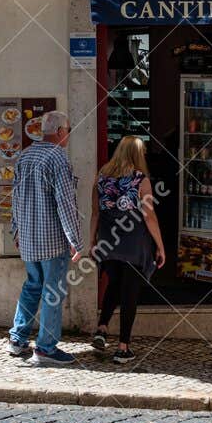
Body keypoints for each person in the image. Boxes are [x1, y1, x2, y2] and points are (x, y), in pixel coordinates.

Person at [6, 110, 85, 366]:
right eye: (69, 131)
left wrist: (16, 229)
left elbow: (15, 197)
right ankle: (45, 348)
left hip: (29, 238)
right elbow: (65, 202)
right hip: (52, 240)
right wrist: (75, 240)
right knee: (52, 292)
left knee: (32, 286)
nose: (69, 136)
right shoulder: (58, 158)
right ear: (60, 132)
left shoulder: (25, 155)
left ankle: (17, 340)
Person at [91, 135, 165, 364]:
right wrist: (160, 246)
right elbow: (149, 216)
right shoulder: (140, 180)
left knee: (114, 283)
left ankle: (102, 328)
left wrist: (92, 241)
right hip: (133, 242)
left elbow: (95, 213)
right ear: (137, 154)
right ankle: (123, 348)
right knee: (129, 293)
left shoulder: (101, 178)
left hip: (108, 240)